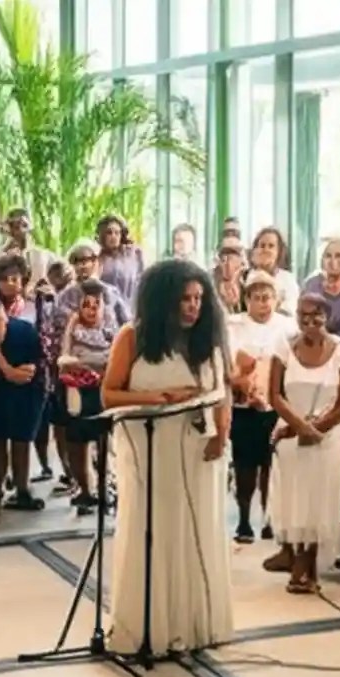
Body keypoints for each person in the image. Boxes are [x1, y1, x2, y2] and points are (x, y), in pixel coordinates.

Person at [101, 259, 234, 654]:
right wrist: (158, 398)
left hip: (198, 449)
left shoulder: (207, 338)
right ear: (163, 302)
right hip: (148, 450)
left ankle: (192, 624)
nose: (193, 307)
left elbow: (222, 389)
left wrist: (221, 434)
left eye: (198, 298)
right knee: (154, 532)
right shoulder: (133, 337)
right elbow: (110, 394)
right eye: (184, 300)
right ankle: (152, 626)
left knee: (194, 531)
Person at [267, 294, 340, 593]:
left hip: (327, 436)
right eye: (302, 315)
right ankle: (298, 563)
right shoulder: (284, 346)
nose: (309, 321)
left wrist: (315, 428)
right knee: (294, 500)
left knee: (319, 499)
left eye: (316, 314)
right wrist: (299, 427)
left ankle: (309, 568)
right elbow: (275, 395)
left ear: (327, 315)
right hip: (291, 432)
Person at [226, 271, 293, 543]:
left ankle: (269, 519)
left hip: (276, 403)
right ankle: (243, 520)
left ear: (276, 300)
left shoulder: (288, 327)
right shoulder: (234, 325)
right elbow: (230, 363)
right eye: (257, 298)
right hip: (243, 406)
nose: (263, 303)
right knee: (245, 466)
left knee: (271, 464)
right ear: (247, 299)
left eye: (268, 297)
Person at [0, 287, 46, 513]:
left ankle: (22, 488)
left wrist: (26, 370)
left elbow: (35, 365)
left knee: (21, 438)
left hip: (28, 391)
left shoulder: (24, 331)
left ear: (3, 315)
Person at [56, 278, 116, 513]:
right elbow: (64, 361)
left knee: (103, 443)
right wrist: (81, 364)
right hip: (78, 394)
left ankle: (105, 489)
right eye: (86, 304)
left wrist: (85, 364)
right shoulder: (74, 328)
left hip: (102, 393)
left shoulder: (111, 329)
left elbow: (112, 361)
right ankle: (85, 489)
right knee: (77, 443)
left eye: (96, 304)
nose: (91, 309)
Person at [247, 227, 300, 316]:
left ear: (279, 251)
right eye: (262, 245)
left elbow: (290, 311)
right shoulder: (249, 276)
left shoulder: (288, 279)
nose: (266, 250)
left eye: (271, 246)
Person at [97, 214, 145, 307]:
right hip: (106, 310)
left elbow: (142, 281)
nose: (113, 236)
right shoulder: (97, 257)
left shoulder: (134, 254)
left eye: (117, 233)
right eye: (109, 233)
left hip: (130, 308)